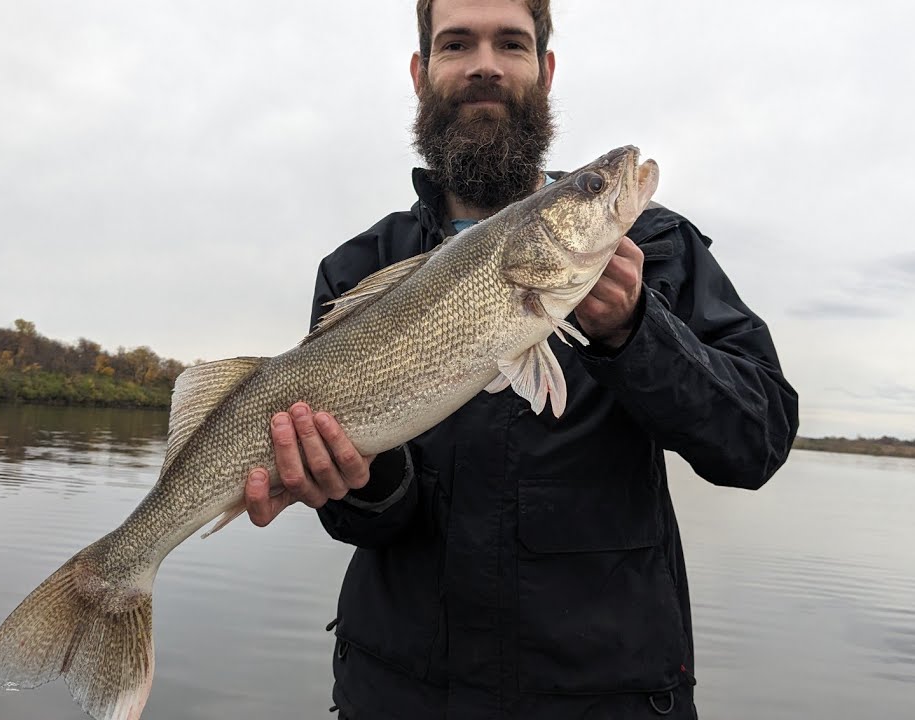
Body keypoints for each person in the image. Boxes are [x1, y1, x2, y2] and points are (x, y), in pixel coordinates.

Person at [243, 0, 800, 717]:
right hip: (400, 697)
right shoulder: (359, 270)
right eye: (456, 44)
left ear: (545, 70)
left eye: (511, 43)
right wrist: (360, 478)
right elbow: (370, 522)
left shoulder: (654, 252)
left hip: (606, 700)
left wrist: (637, 331)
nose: (484, 64)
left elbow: (757, 443)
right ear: (421, 73)